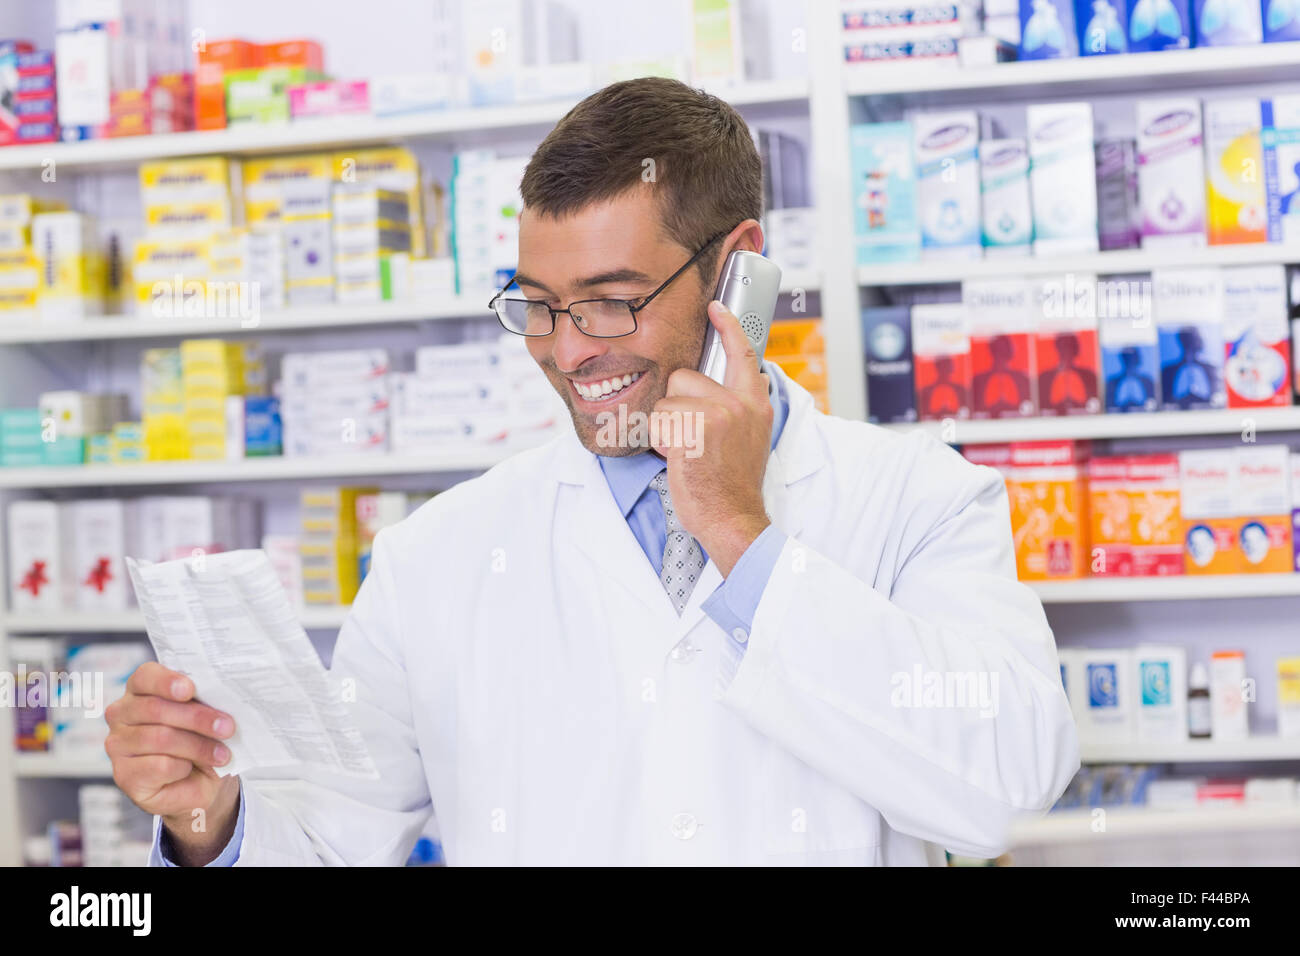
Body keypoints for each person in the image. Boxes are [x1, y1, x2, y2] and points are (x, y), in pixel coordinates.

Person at [106, 77, 1079, 867]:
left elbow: (1001, 787)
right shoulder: (437, 555)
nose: (569, 351)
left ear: (740, 270)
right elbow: (330, 842)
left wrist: (742, 532)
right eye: (537, 302)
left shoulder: (914, 495)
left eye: (613, 302)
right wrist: (209, 823)